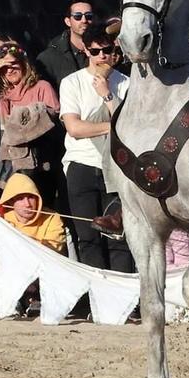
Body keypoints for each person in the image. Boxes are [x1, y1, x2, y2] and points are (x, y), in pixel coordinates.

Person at [58, 33, 131, 272]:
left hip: (116, 166)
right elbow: (74, 128)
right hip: (82, 164)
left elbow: (130, 129)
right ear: (86, 52)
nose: (102, 56)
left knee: (118, 237)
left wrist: (107, 95)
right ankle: (98, 300)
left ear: (114, 52)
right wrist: (112, 127)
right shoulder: (72, 82)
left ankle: (123, 303)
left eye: (106, 50)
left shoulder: (126, 83)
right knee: (88, 237)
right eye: (95, 51)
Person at [0, 44, 59, 201]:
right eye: (4, 67)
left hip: (40, 165)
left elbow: (54, 118)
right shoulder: (1, 95)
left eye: (14, 65)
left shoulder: (42, 87)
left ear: (24, 65)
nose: (10, 70)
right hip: (10, 167)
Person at [38, 0, 100, 86]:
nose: (84, 20)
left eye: (88, 16)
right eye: (77, 16)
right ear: (68, 21)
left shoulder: (105, 51)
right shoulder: (49, 58)